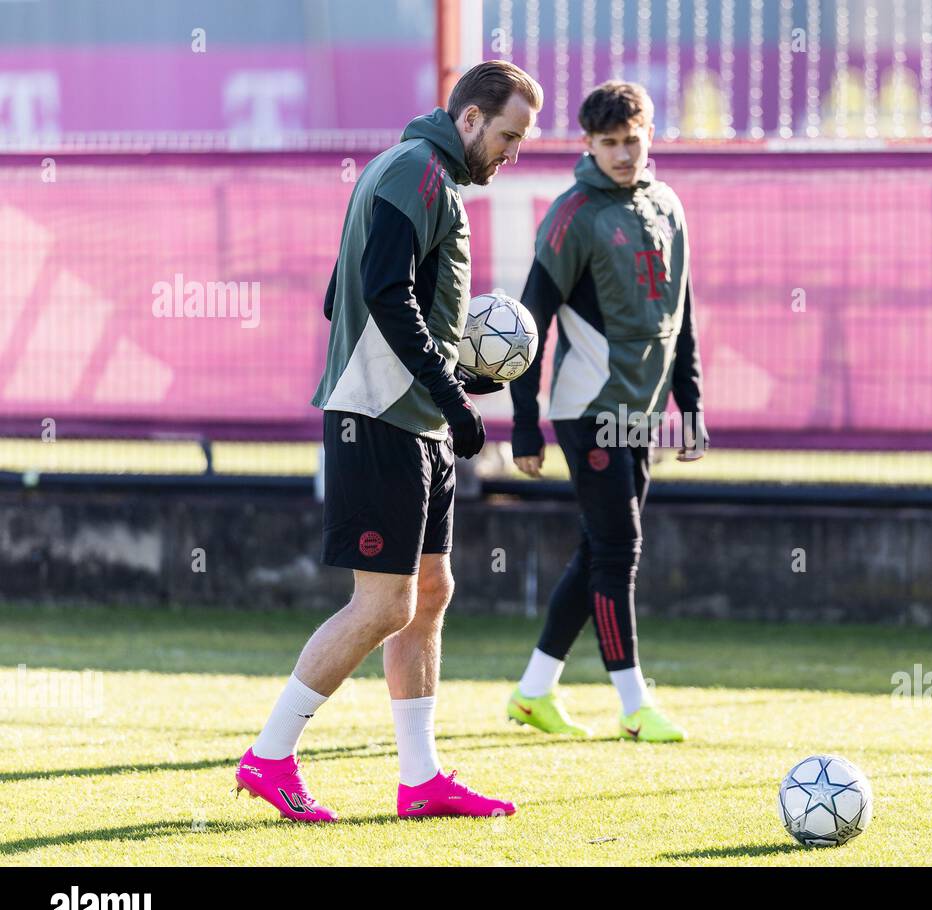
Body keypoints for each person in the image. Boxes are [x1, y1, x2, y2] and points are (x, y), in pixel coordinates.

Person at [233, 61, 543, 822]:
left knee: (430, 593)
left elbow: (339, 295)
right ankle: (269, 755)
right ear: (470, 119)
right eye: (508, 136)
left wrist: (446, 380)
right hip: (379, 419)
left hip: (412, 417)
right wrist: (449, 390)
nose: (513, 152)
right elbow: (382, 289)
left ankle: (421, 779)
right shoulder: (418, 170)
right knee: (382, 605)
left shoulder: (416, 172)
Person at [506, 80, 707, 743]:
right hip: (587, 410)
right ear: (588, 144)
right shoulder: (572, 216)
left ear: (649, 136)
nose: (623, 153)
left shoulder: (667, 205)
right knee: (619, 550)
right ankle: (633, 704)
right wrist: (526, 423)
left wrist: (690, 403)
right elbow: (528, 324)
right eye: (609, 142)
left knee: (598, 549)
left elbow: (681, 313)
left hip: (641, 412)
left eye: (632, 140)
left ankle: (533, 693)